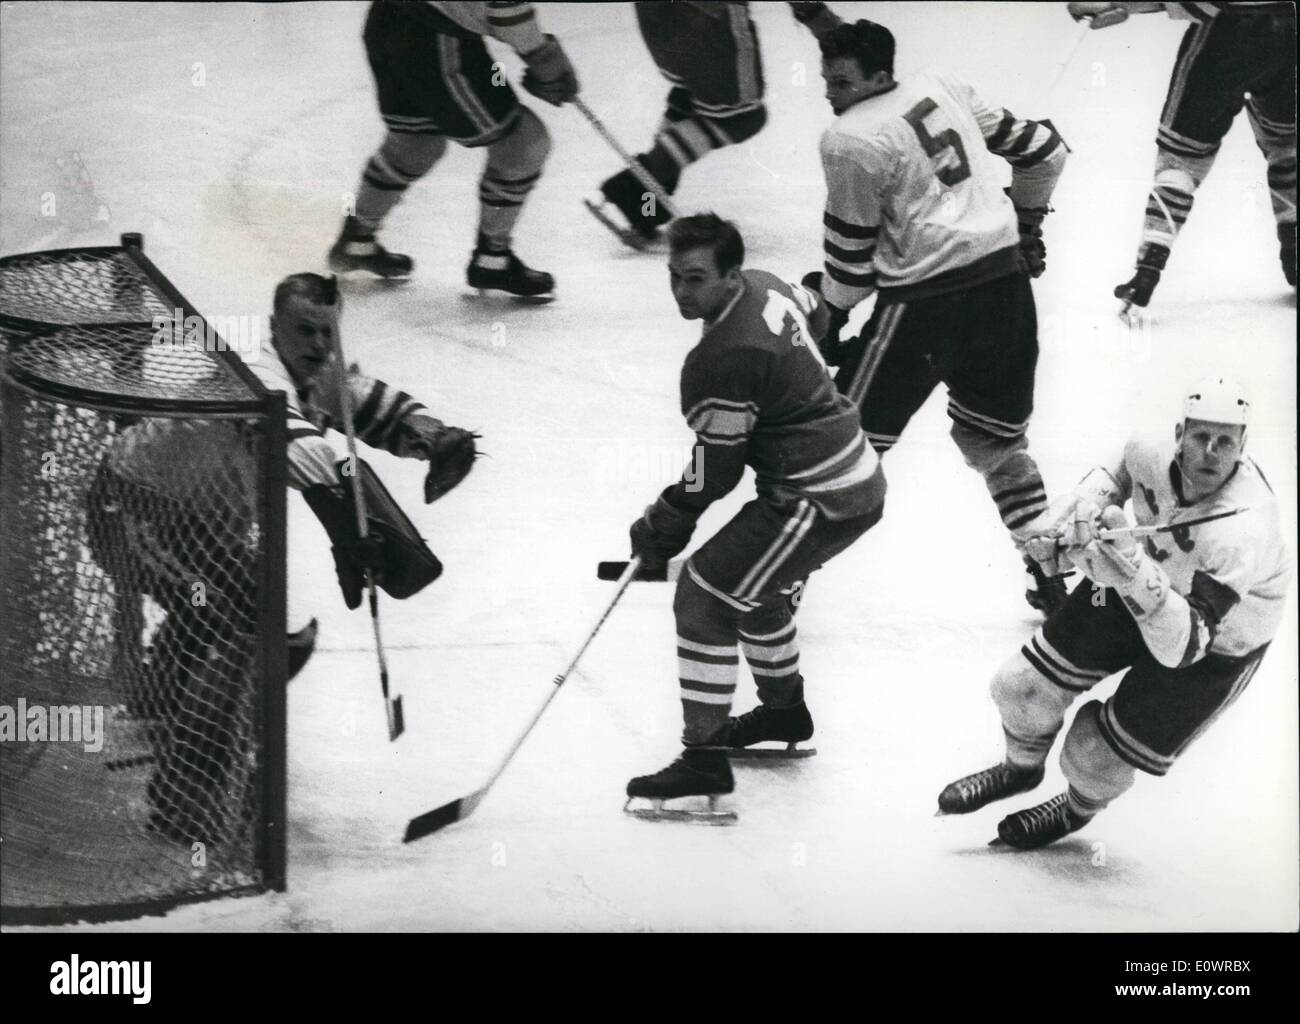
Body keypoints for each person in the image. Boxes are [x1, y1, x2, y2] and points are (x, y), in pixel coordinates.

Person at [86, 272, 476, 844]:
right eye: (303, 330)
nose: (317, 343)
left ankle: (163, 698)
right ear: (275, 327)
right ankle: (182, 798)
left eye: (327, 331)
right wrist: (353, 521)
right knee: (246, 622)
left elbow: (374, 407)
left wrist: (433, 436)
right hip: (134, 511)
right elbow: (297, 447)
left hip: (197, 527)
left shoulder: (319, 377)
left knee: (242, 604)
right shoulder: (258, 375)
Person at [938, 376, 1291, 849]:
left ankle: (1074, 809)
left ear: (1242, 447)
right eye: (1201, 436)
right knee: (1020, 687)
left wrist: (1131, 573)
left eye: (1225, 442)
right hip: (1136, 578)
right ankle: (1019, 770)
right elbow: (1117, 474)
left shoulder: (1245, 530)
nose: (1210, 452)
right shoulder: (1148, 449)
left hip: (1216, 640)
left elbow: (1182, 649)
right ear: (1179, 434)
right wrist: (1074, 516)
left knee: (1095, 756)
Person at [624, 214, 886, 823]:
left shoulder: (721, 359)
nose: (681, 291)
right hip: (850, 476)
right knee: (753, 588)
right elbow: (818, 314)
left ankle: (703, 761)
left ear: (729, 275)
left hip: (815, 497)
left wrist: (666, 517)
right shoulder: (766, 284)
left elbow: (717, 467)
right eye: (674, 276)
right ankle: (784, 713)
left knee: (703, 595)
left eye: (695, 278)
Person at [809, 19, 1071, 614]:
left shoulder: (848, 140)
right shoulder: (942, 84)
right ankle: (1050, 570)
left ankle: (778, 575)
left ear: (879, 76)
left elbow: (850, 271)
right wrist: (1027, 224)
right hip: (1005, 291)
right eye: (827, 81)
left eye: (842, 82)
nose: (830, 94)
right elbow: (1046, 154)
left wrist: (827, 312)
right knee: (995, 442)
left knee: (841, 447)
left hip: (924, 310)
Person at [328, 1, 580, 299]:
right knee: (523, 143)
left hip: (388, 19)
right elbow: (507, 13)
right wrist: (546, 61)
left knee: (415, 143)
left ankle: (358, 242)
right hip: (436, 36)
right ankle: (493, 260)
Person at [1066, 3, 1296, 311]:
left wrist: (1119, 3)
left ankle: (1148, 266)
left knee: (1181, 160)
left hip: (1225, 31)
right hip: (1289, 29)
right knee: (1287, 146)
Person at [589, 2, 842, 245]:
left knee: (691, 94)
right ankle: (633, 187)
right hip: (709, 17)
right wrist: (820, 19)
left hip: (655, 17)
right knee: (743, 118)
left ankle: (648, 202)